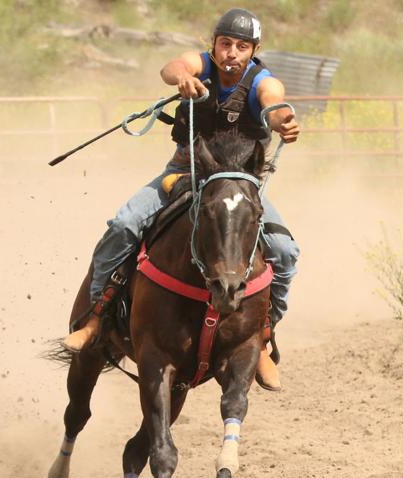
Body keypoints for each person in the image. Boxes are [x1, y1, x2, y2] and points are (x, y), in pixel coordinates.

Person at [65, 7, 301, 390]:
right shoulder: (200, 65)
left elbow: (274, 102)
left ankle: (262, 336)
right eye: (225, 43)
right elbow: (173, 67)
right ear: (214, 44)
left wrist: (281, 119)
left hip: (238, 189)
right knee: (124, 225)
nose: (232, 53)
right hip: (184, 175)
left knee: (284, 252)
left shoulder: (263, 82)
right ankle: (96, 318)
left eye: (242, 46)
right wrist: (183, 79)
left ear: (254, 50)